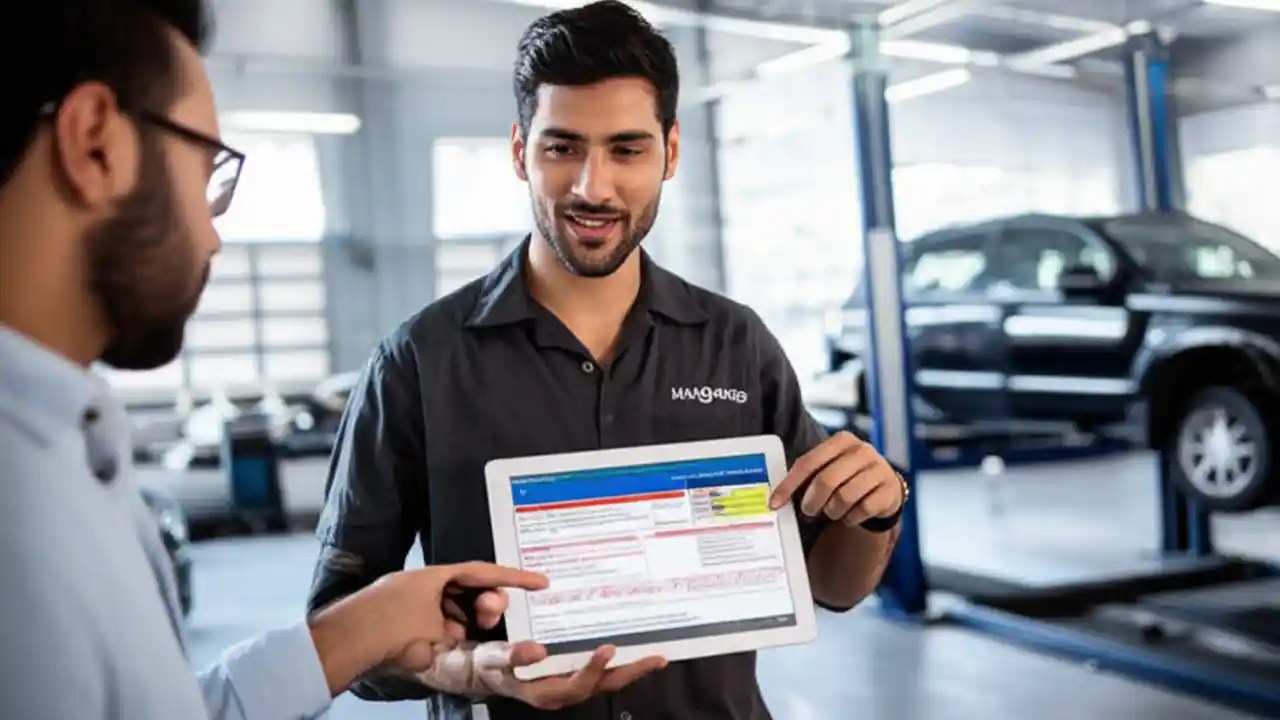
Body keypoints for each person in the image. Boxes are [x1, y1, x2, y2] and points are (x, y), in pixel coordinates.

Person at [307, 1, 909, 718]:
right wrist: (465, 669)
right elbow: (337, 629)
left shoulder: (736, 346)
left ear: (671, 151)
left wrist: (873, 512)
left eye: (627, 149)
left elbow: (833, 588)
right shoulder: (418, 361)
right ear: (518, 150)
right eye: (562, 148)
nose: (594, 187)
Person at [0, 2, 548, 719]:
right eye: (206, 174)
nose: (212, 233)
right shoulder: (21, 498)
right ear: (95, 142)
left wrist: (360, 629)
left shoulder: (67, 448)